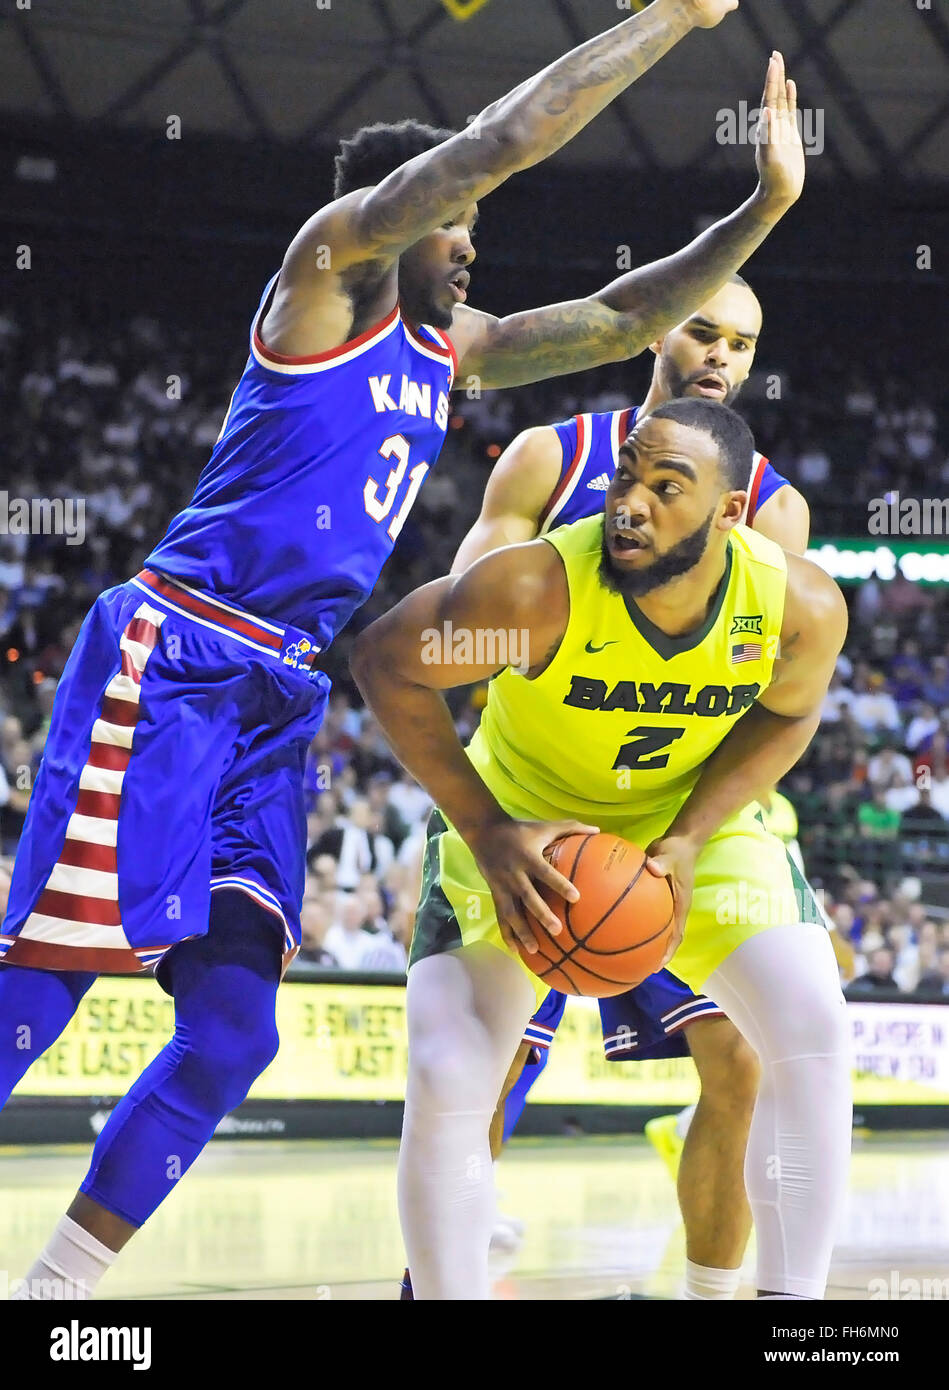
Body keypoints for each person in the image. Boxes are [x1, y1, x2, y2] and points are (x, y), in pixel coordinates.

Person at [1, 0, 804, 1299]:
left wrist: (761, 209)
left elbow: (612, 316)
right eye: (457, 226)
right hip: (180, 653)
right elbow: (498, 138)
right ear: (395, 210)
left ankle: (55, 1291)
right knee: (43, 988)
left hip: (276, 691)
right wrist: (676, 16)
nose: (471, 250)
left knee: (229, 1031)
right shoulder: (324, 278)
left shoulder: (451, 351)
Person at [352, 399, 851, 1301]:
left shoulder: (795, 607)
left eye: (667, 488)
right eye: (627, 477)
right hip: (516, 818)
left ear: (730, 513)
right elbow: (385, 660)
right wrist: (487, 830)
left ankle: (794, 1317)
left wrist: (695, 832)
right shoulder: (536, 589)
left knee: (811, 1030)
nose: (630, 504)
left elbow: (789, 713)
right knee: (448, 1070)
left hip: (684, 818)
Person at [451, 272, 810, 1297]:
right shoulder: (547, 458)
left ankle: (712, 1296)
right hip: (541, 799)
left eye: (740, 344)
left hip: (672, 817)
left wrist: (691, 826)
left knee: (741, 1055)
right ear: (655, 330)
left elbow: (774, 696)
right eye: (701, 331)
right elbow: (469, 637)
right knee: (485, 1062)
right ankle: (447, 1260)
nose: (719, 357)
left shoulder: (771, 511)